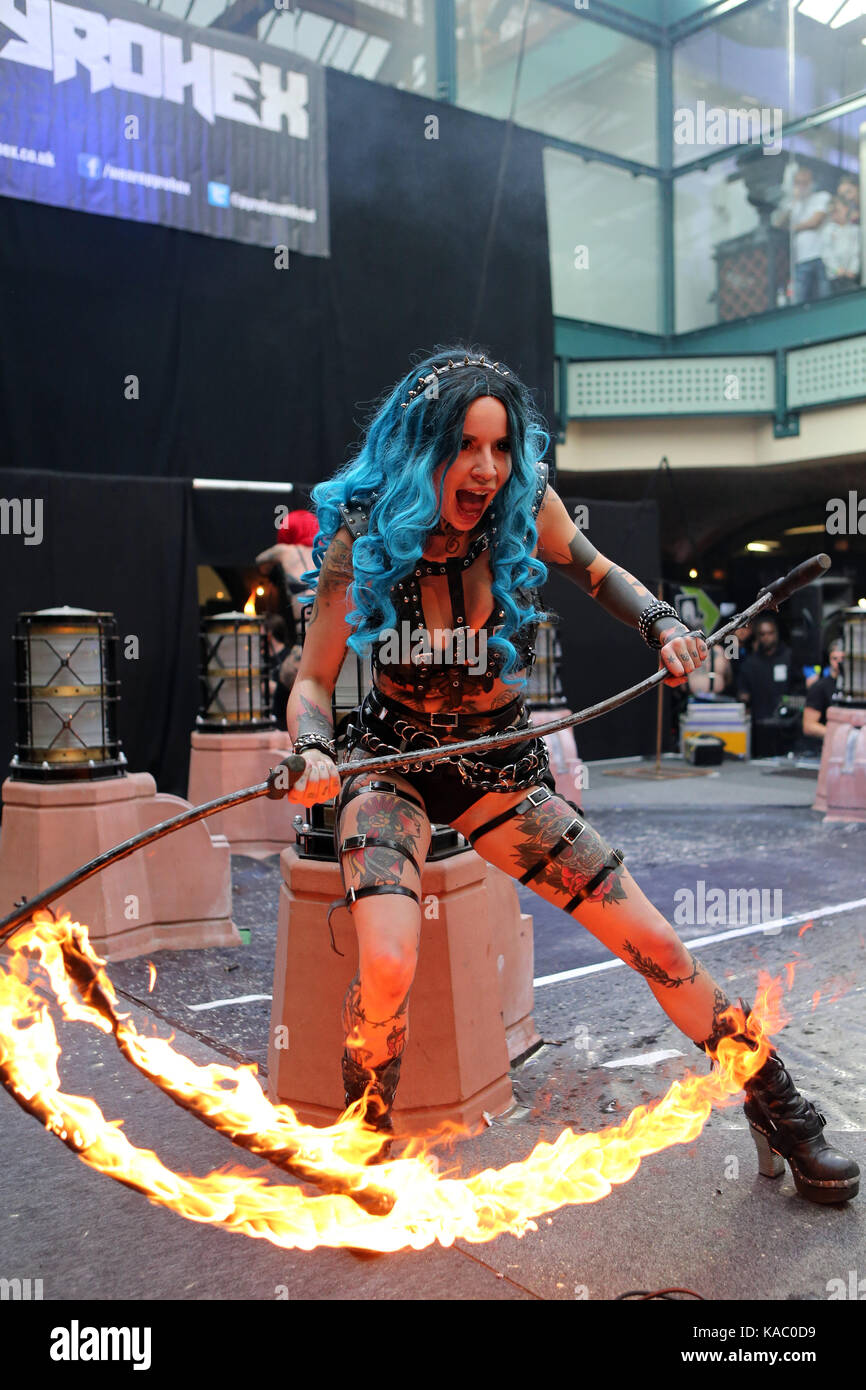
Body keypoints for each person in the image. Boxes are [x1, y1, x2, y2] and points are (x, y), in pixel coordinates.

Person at [285, 346, 858, 1204]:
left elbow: (599, 572)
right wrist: (315, 749)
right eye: (467, 446)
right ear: (423, 448)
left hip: (502, 770)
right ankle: (367, 1132)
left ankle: (773, 1101)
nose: (487, 468)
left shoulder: (521, 506)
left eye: (502, 446)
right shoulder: (365, 529)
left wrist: (663, 625)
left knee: (660, 945)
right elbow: (313, 684)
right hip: (392, 767)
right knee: (391, 961)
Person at [771, 165, 831, 305]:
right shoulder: (794, 205)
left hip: (821, 255)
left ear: (812, 183)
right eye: (798, 183)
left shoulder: (821, 197)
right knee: (799, 300)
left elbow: (815, 221)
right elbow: (779, 225)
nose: (802, 186)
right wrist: (793, 203)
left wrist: (793, 228)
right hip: (800, 259)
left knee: (825, 295)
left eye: (805, 182)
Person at [736, 614, 794, 758]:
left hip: (787, 725)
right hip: (760, 726)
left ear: (777, 633)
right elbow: (743, 692)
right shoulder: (750, 664)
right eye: (762, 634)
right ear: (758, 636)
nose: (767, 637)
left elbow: (800, 689)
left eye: (770, 633)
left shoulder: (790, 657)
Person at [802, 640, 844, 744]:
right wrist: (840, 736)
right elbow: (809, 726)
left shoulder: (856, 688)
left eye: (843, 658)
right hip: (828, 745)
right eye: (835, 658)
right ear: (829, 659)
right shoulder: (819, 687)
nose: (839, 662)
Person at [819, 196, 861, 295]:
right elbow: (827, 254)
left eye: (837, 210)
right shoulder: (828, 230)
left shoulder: (855, 230)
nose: (834, 214)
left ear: (846, 209)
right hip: (835, 277)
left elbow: (857, 251)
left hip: (852, 276)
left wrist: (853, 269)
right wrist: (837, 270)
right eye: (832, 212)